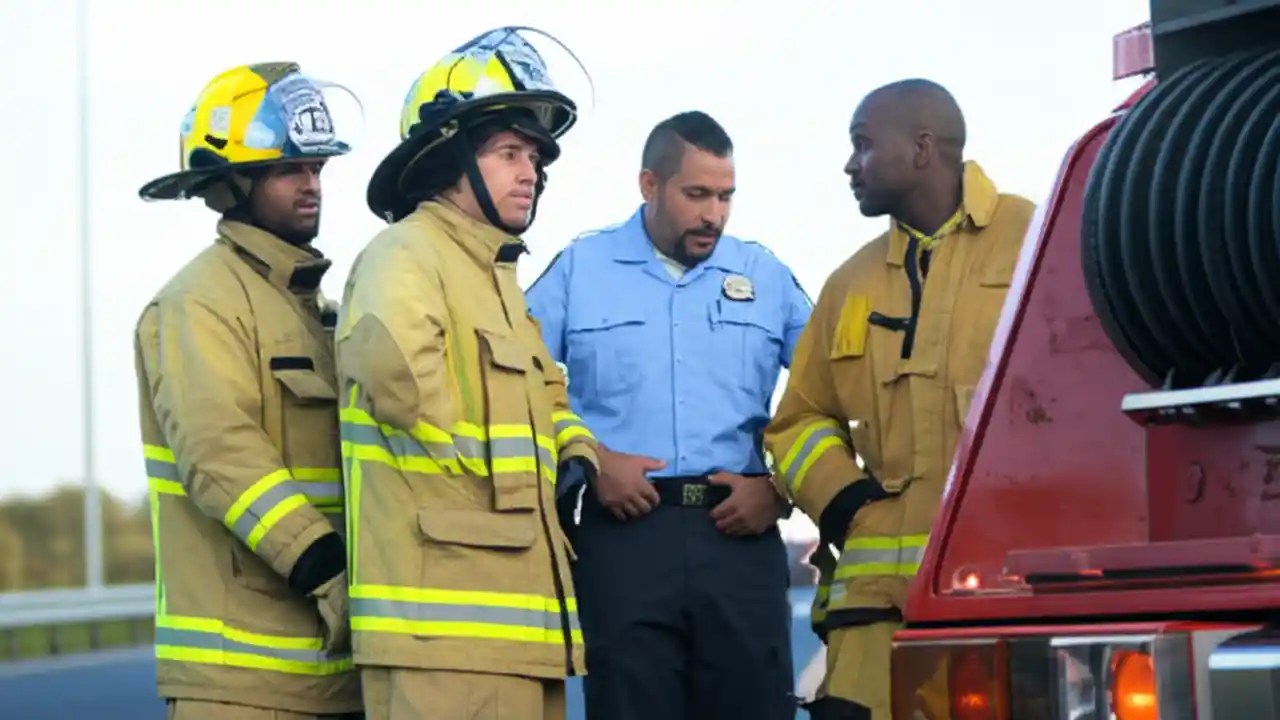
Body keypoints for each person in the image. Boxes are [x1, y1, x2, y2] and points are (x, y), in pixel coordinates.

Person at [333, 27, 600, 720]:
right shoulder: (406, 257)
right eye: (509, 151)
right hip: (443, 635)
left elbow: (544, 392)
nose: (531, 170)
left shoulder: (494, 275)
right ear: (448, 157)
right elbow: (407, 397)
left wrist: (574, 450)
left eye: (536, 156)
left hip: (516, 627)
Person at [525, 110, 813, 720]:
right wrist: (592, 459)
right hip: (625, 540)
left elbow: (834, 391)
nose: (714, 213)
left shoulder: (764, 275)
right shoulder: (581, 270)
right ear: (649, 185)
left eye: (726, 196)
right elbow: (510, 381)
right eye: (697, 194)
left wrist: (780, 490)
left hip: (739, 535)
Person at [763, 79, 1037, 720]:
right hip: (870, 625)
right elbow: (796, 422)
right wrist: (847, 505)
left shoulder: (1040, 240)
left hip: (1005, 607)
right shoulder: (848, 284)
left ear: (921, 149)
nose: (850, 164)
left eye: (862, 144)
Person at [132, 62, 363, 719]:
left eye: (317, 168)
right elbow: (221, 455)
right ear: (232, 182)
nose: (312, 185)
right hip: (245, 682)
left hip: (331, 668)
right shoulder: (199, 303)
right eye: (290, 169)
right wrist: (327, 571)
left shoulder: (314, 309)